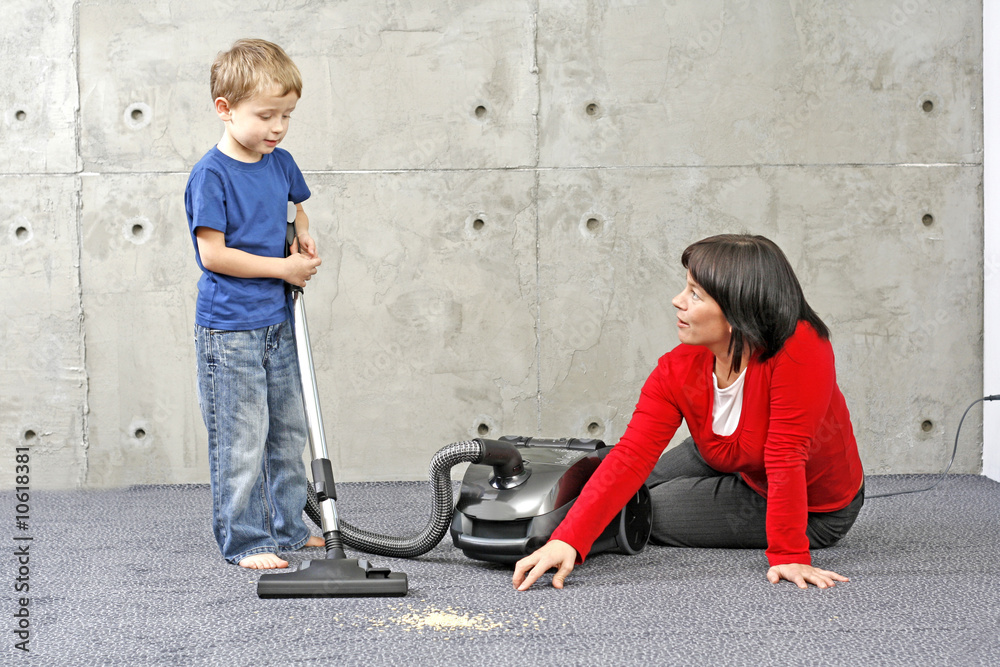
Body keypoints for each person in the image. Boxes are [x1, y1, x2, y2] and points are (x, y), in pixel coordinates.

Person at [513, 234, 865, 590]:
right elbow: (632, 457)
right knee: (621, 482)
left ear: (737, 311)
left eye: (695, 294)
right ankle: (556, 533)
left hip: (816, 510)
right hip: (732, 457)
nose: (677, 301)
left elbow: (785, 454)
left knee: (646, 506)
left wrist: (789, 554)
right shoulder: (679, 367)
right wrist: (567, 539)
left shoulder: (801, 347)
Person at [185, 38, 324, 569]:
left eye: (286, 115)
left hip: (277, 322)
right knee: (241, 439)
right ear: (226, 109)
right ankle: (244, 540)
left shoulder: (279, 163)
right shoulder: (211, 175)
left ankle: (289, 528)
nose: (278, 128)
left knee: (287, 434)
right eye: (266, 116)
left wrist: (302, 234)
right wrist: (283, 270)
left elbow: (298, 209)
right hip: (230, 330)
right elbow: (214, 255)